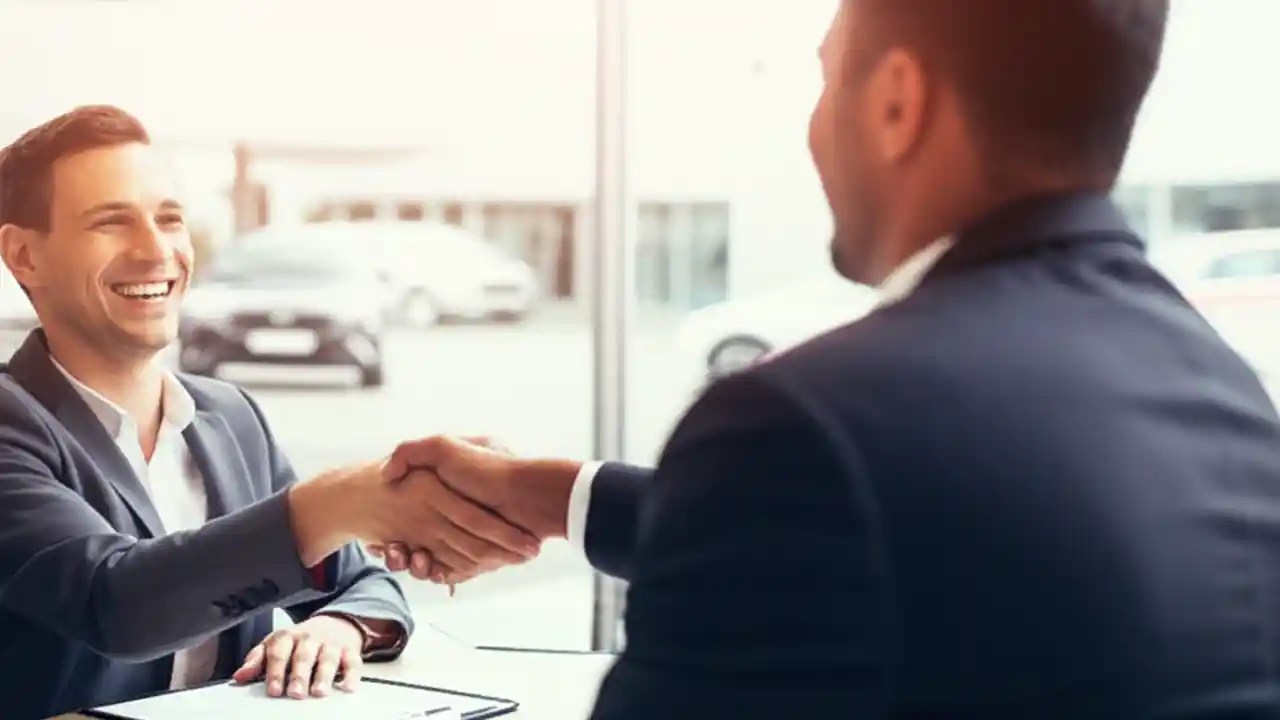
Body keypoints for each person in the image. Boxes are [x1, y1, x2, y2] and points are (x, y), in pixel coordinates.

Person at [379, 0, 1280, 717]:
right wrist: (554, 495)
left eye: (823, 79)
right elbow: (948, 551)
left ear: (896, 101)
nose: (812, 128)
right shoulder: (1225, 397)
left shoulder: (803, 424)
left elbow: (831, 506)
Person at [0, 106, 539, 720]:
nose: (156, 250)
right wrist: (347, 500)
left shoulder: (228, 417)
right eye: (112, 223)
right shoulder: (12, 423)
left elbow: (360, 580)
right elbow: (118, 602)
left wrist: (337, 628)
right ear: (24, 256)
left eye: (170, 219)